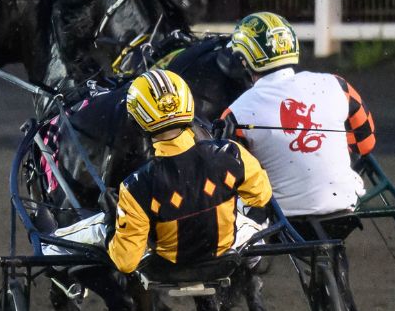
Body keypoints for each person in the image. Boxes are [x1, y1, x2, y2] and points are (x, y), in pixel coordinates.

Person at [218, 10, 382, 311]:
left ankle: (229, 304)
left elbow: (229, 176)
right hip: (343, 210)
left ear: (246, 61)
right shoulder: (337, 85)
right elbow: (366, 142)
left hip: (283, 223)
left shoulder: (235, 112)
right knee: (332, 246)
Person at [108, 67, 273, 276]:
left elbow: (125, 262)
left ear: (137, 122)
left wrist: (109, 222)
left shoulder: (134, 187)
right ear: (188, 105)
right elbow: (261, 196)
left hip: (167, 269)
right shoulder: (232, 153)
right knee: (246, 218)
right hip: (223, 259)